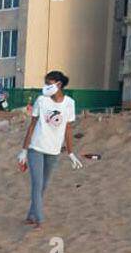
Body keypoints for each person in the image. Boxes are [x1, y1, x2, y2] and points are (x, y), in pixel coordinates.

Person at [17, 70, 82, 229]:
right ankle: (39, 219)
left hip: (54, 150)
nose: (46, 86)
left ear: (58, 84)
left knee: (43, 186)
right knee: (37, 184)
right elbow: (32, 125)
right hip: (36, 148)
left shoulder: (69, 103)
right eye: (45, 83)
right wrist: (24, 150)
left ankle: (31, 216)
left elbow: (68, 129)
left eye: (49, 83)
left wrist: (71, 153)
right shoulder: (41, 100)